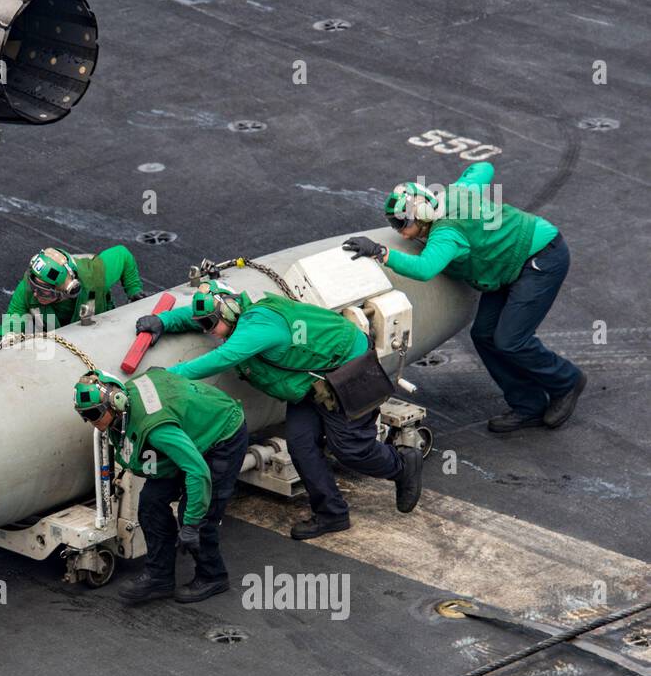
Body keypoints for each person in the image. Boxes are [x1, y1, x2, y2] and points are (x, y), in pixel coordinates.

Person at [135, 280, 422, 539]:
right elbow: (199, 314)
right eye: (205, 325)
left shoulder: (258, 328)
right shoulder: (233, 314)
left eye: (211, 324)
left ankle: (402, 463)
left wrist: (168, 376)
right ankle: (332, 514)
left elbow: (222, 358)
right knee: (300, 445)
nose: (208, 331)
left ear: (231, 311)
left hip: (347, 372)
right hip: (310, 383)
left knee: (350, 448)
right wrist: (164, 321)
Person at [343, 163, 584, 433]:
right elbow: (483, 168)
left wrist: (380, 252)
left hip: (540, 257)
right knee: (484, 335)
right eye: (393, 223)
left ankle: (566, 381)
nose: (397, 229)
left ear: (422, 215)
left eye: (401, 223)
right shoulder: (454, 193)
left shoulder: (446, 234)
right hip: (506, 267)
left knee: (511, 340)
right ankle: (528, 405)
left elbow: (425, 268)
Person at [73, 368, 248, 604]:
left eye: (94, 414)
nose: (91, 422)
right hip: (186, 435)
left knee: (197, 514)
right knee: (151, 504)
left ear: (116, 402)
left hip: (221, 436)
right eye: (85, 416)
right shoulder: (124, 412)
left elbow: (198, 471)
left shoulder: (157, 430)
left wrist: (192, 525)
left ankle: (213, 575)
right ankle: (160, 577)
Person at [0, 246, 145, 337]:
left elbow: (123, 254)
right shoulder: (27, 287)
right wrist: (0, 342)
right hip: (56, 338)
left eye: (44, 292)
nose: (36, 294)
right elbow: (12, 321)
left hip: (98, 326)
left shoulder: (94, 275)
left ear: (69, 290)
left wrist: (134, 291)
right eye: (34, 287)